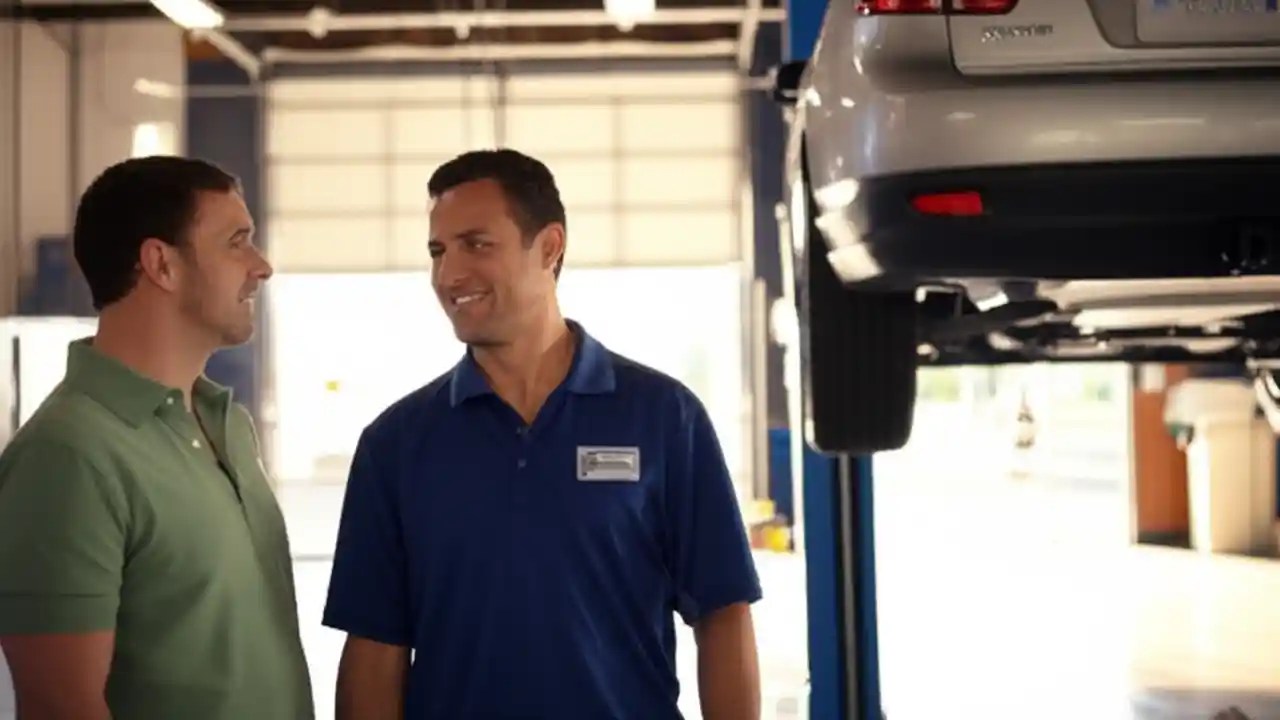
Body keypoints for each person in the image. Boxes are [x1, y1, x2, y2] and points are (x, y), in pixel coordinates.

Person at [323, 148, 763, 719]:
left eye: (476, 244)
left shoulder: (664, 418)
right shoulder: (396, 444)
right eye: (438, 251)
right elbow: (375, 647)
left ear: (550, 247)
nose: (449, 274)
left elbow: (723, 612)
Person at [0, 156, 314, 720]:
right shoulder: (69, 455)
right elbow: (60, 706)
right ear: (161, 264)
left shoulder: (227, 425)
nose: (261, 266)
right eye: (237, 243)